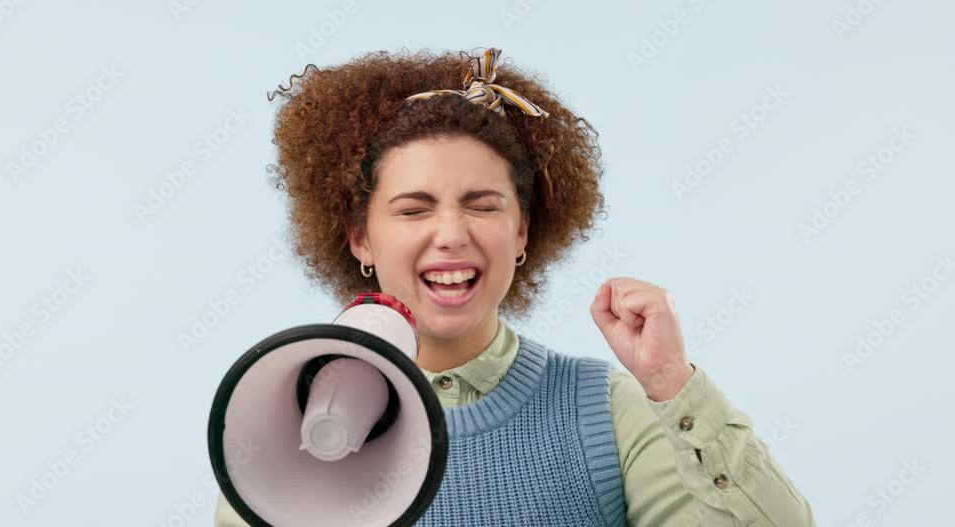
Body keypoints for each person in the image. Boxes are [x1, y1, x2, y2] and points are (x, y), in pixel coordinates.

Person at [214, 47, 814, 526]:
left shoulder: (606, 412)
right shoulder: (276, 413)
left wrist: (671, 386)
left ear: (523, 231)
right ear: (359, 239)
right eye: (414, 209)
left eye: (482, 205)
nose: (451, 235)